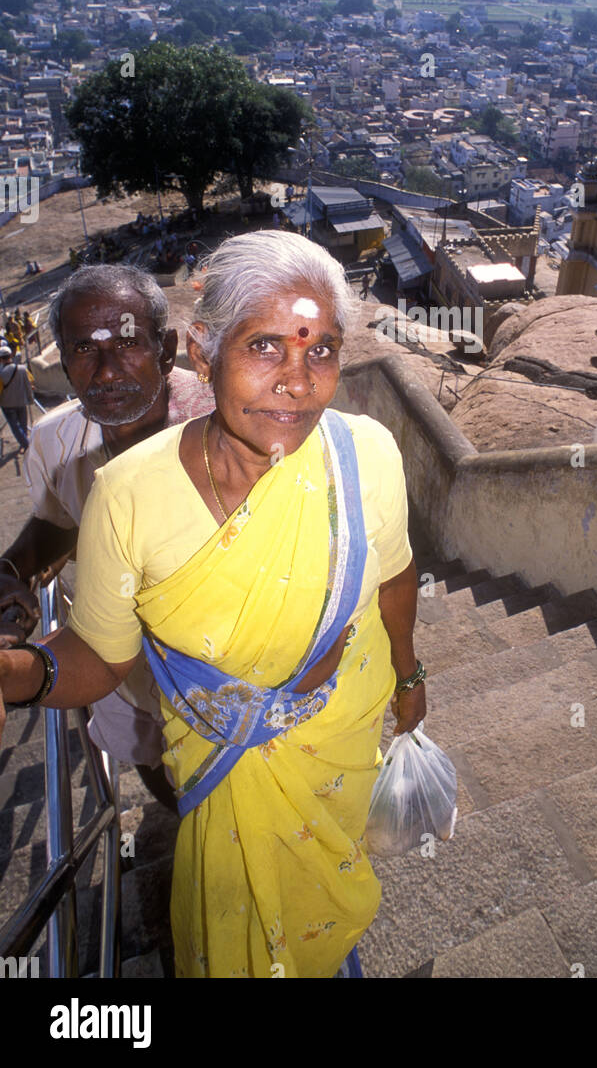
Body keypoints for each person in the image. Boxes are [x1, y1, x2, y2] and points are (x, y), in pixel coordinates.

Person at [0, 232, 425, 978]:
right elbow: (101, 653)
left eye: (321, 350)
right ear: (202, 353)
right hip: (214, 760)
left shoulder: (369, 455)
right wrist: (18, 675)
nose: (298, 382)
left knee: (326, 887)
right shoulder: (128, 494)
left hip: (341, 738)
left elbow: (393, 578)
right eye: (266, 347)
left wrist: (411, 677)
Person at [0, 266, 215, 805]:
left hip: (229, 686)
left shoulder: (226, 426)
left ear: (166, 350)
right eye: (82, 350)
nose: (105, 371)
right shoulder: (55, 442)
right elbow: (57, 522)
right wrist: (10, 572)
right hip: (120, 676)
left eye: (126, 344)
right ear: (66, 366)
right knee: (154, 766)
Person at [0, 341, 34, 453]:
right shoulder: (22, 369)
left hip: (7, 404)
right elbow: (28, 385)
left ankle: (26, 445)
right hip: (21, 401)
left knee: (15, 427)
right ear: (10, 356)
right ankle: (24, 445)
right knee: (23, 424)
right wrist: (30, 398)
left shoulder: (1, 373)